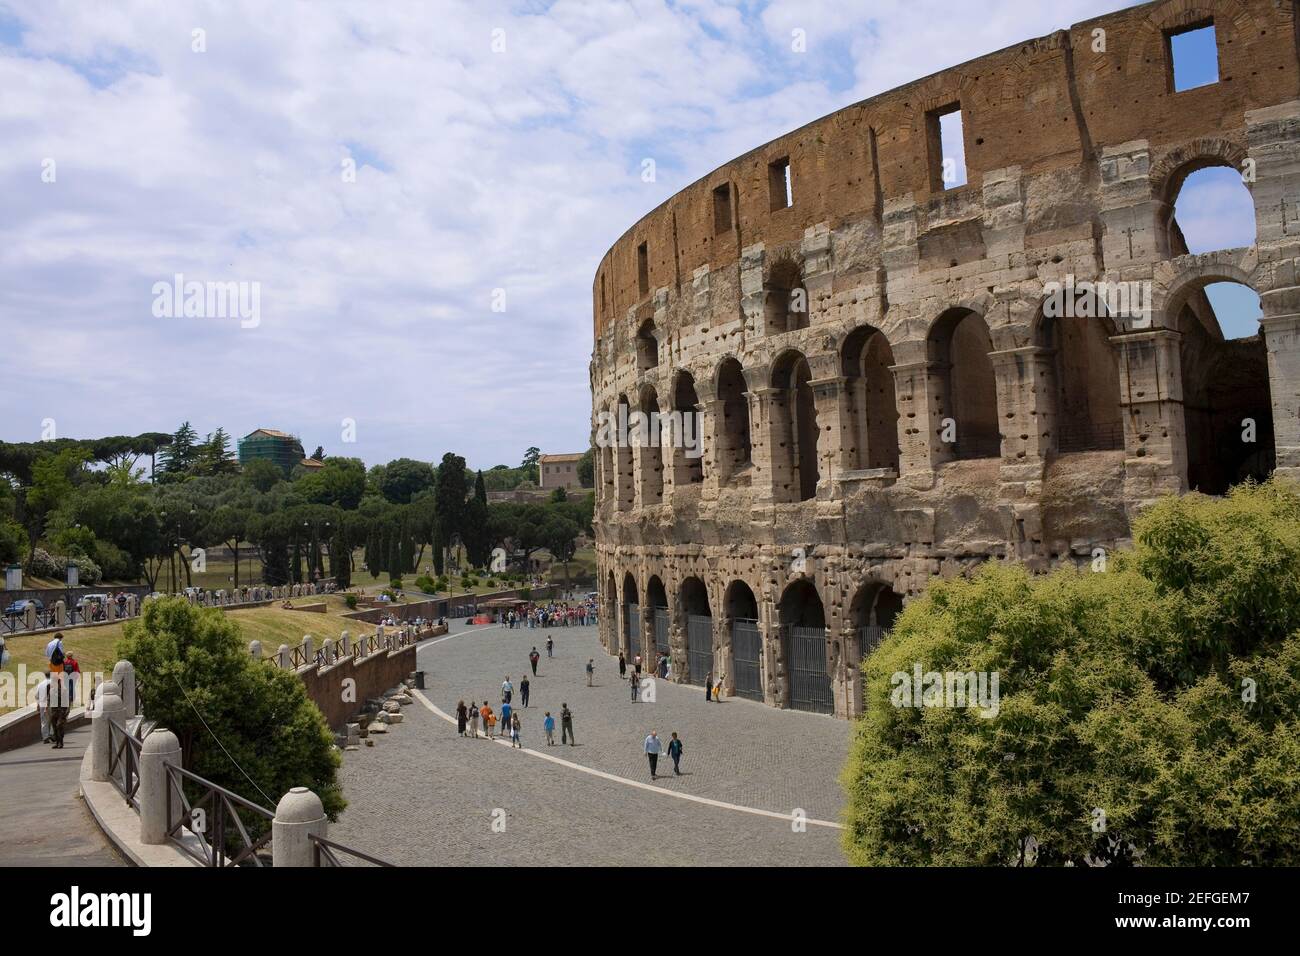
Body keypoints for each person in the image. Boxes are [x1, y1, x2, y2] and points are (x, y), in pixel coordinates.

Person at [36, 671, 52, 744]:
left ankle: (45, 737)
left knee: (44, 721)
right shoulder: (54, 683)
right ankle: (51, 734)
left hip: (42, 704)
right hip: (52, 704)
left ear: (45, 675)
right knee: (52, 720)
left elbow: (37, 696)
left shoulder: (40, 684)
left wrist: (38, 704)